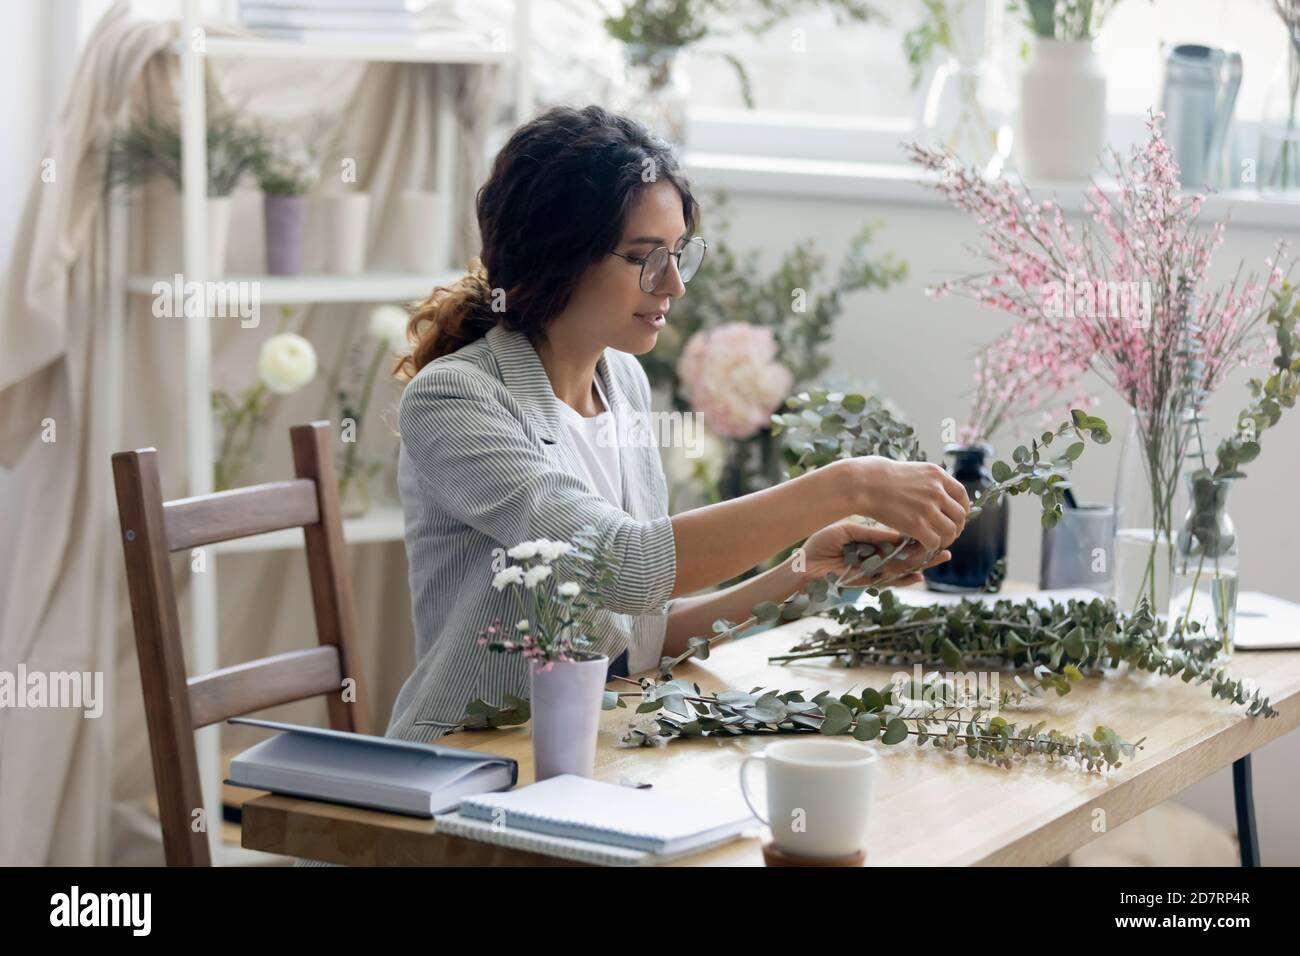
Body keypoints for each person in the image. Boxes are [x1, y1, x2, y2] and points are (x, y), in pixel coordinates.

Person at [385, 104, 968, 743]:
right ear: (558, 256)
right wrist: (846, 484)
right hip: (468, 769)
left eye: (677, 255)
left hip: (588, 756)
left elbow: (641, 636)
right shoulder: (456, 400)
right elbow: (620, 566)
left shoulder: (624, 384)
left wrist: (806, 569)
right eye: (644, 257)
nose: (672, 285)